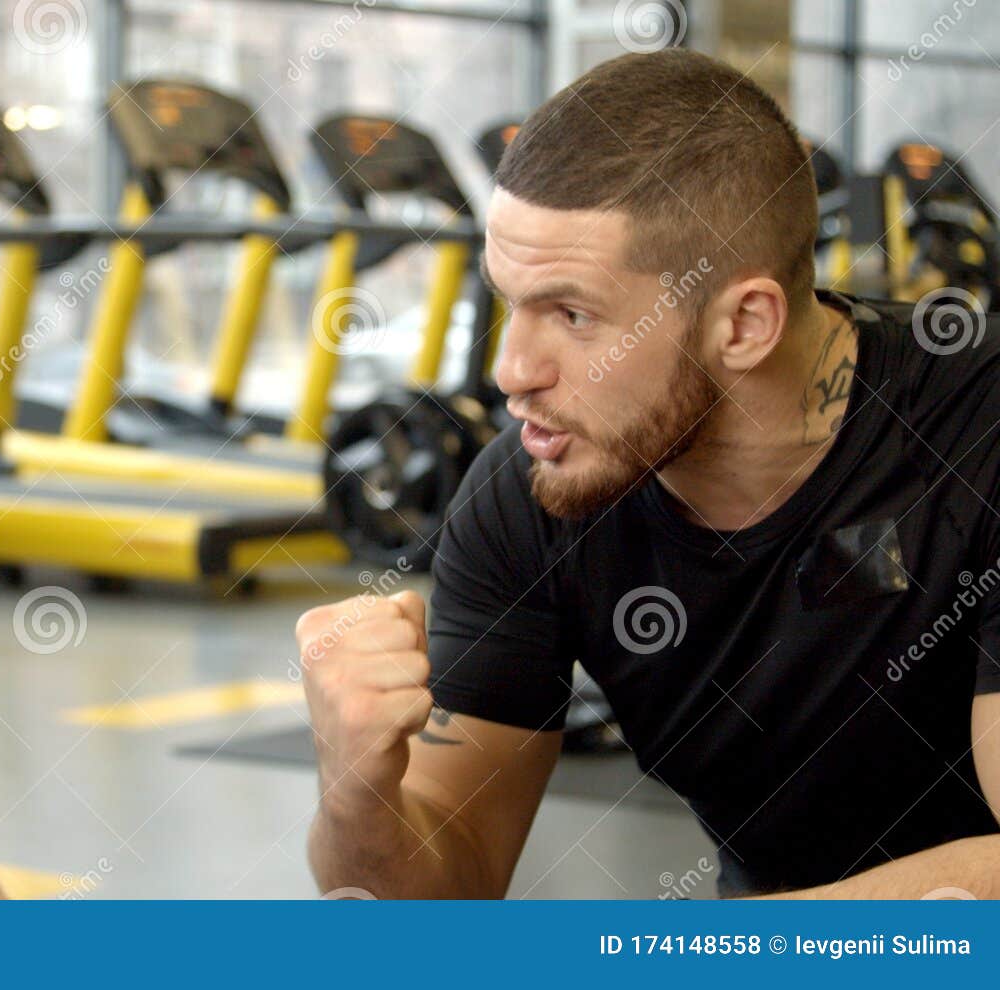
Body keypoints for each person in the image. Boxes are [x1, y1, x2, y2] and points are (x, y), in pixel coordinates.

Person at [298, 49, 1000, 898]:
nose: (512, 370)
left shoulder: (978, 435)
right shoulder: (526, 491)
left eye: (572, 313)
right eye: (509, 302)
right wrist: (357, 785)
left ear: (742, 324)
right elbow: (442, 900)